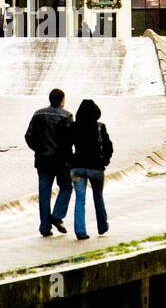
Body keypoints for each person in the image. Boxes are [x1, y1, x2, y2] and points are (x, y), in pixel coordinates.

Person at [25, 88, 73, 237]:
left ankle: (45, 226)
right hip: (61, 160)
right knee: (66, 187)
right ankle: (57, 216)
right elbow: (70, 139)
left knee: (44, 193)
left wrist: (38, 149)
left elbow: (28, 135)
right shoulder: (67, 116)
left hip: (42, 160)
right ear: (62, 100)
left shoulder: (39, 114)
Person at [67, 99, 112, 240]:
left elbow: (66, 146)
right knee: (98, 196)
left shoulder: (73, 127)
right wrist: (104, 161)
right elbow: (108, 147)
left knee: (80, 199)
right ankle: (102, 226)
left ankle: (80, 231)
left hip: (77, 167)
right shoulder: (100, 127)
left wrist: (70, 160)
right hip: (96, 167)